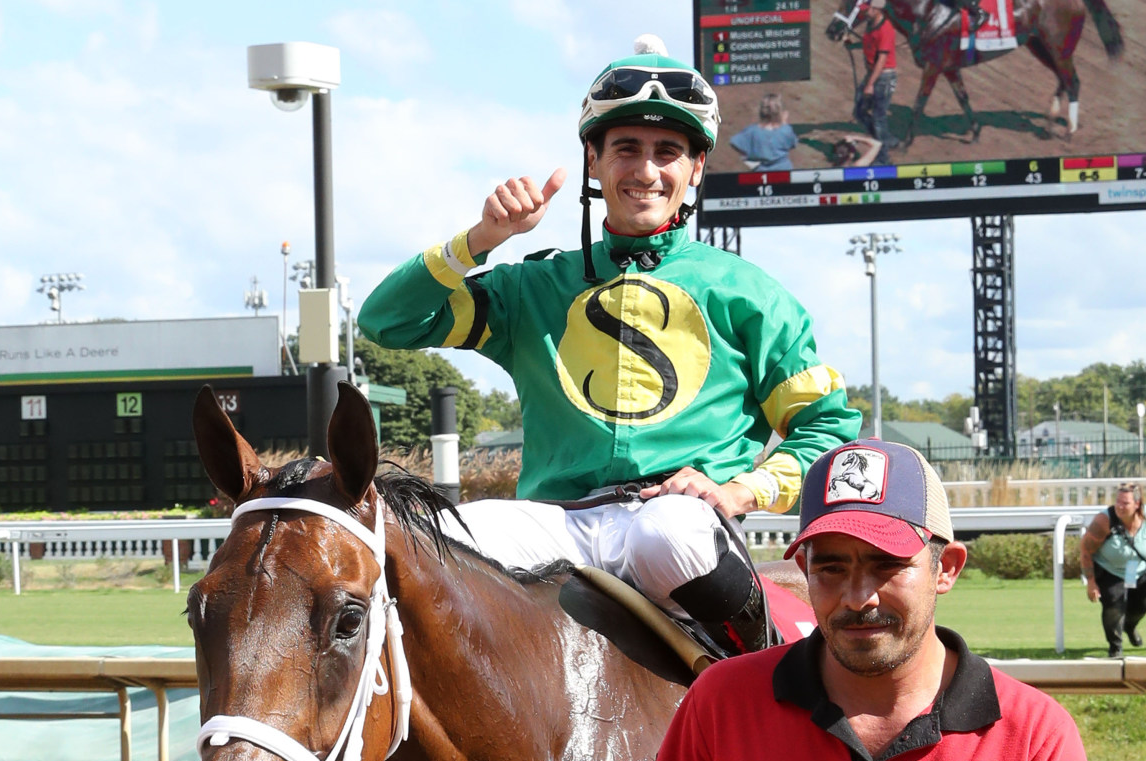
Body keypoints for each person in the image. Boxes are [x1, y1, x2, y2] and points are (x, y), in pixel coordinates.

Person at [339, 438, 1099, 761]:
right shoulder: (726, 702)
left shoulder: (1033, 733)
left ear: (947, 568)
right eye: (832, 568)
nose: (858, 596)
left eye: (887, 566)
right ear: (800, 567)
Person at [357, 36, 860, 653]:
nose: (645, 171)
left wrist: (738, 491)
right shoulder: (533, 287)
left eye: (667, 152)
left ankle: (772, 677)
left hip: (679, 524)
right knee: (429, 538)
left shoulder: (750, 292)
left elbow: (828, 429)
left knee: (666, 534)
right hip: (554, 522)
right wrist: (481, 239)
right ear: (594, 160)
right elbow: (388, 321)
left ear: (695, 169)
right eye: (625, 149)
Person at [1081, 482, 1146, 657]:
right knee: (1114, 604)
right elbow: (1085, 549)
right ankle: (1115, 648)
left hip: (1137, 569)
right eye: (1118, 501)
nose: (1120, 506)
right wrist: (1091, 582)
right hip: (1110, 570)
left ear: (1137, 504)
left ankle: (1130, 626)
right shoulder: (1104, 520)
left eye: (1125, 503)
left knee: (1139, 605)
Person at [855, 0, 898, 165]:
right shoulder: (871, 23)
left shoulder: (886, 29)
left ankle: (883, 158)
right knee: (859, 111)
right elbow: (870, 44)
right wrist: (852, 45)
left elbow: (882, 59)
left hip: (883, 78)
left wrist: (870, 84)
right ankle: (885, 139)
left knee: (878, 117)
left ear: (877, 9)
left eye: (868, 9)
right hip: (873, 75)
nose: (865, 12)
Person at [728, 92, 797, 171]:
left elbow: (734, 142)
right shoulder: (785, 130)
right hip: (784, 172)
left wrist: (747, 158)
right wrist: (784, 123)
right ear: (780, 113)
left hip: (760, 172)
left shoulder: (752, 131)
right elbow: (792, 144)